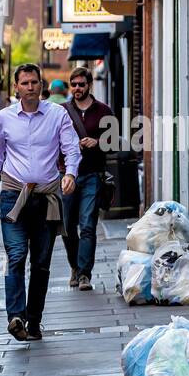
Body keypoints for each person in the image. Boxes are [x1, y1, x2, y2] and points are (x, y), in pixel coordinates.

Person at [0, 63, 80, 342]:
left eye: (34, 82)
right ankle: (16, 315)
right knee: (15, 256)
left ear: (41, 84)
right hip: (14, 197)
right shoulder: (4, 118)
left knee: (42, 263)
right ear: (16, 87)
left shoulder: (57, 114)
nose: (30, 87)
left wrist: (71, 172)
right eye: (24, 83)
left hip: (47, 198)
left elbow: (71, 147)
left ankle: (33, 321)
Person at [61, 66, 114, 291]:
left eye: (81, 84)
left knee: (88, 225)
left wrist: (97, 142)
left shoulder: (103, 111)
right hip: (67, 176)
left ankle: (84, 274)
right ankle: (74, 266)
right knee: (67, 227)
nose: (77, 88)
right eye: (73, 84)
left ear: (89, 85)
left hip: (92, 175)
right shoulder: (62, 111)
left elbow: (114, 142)